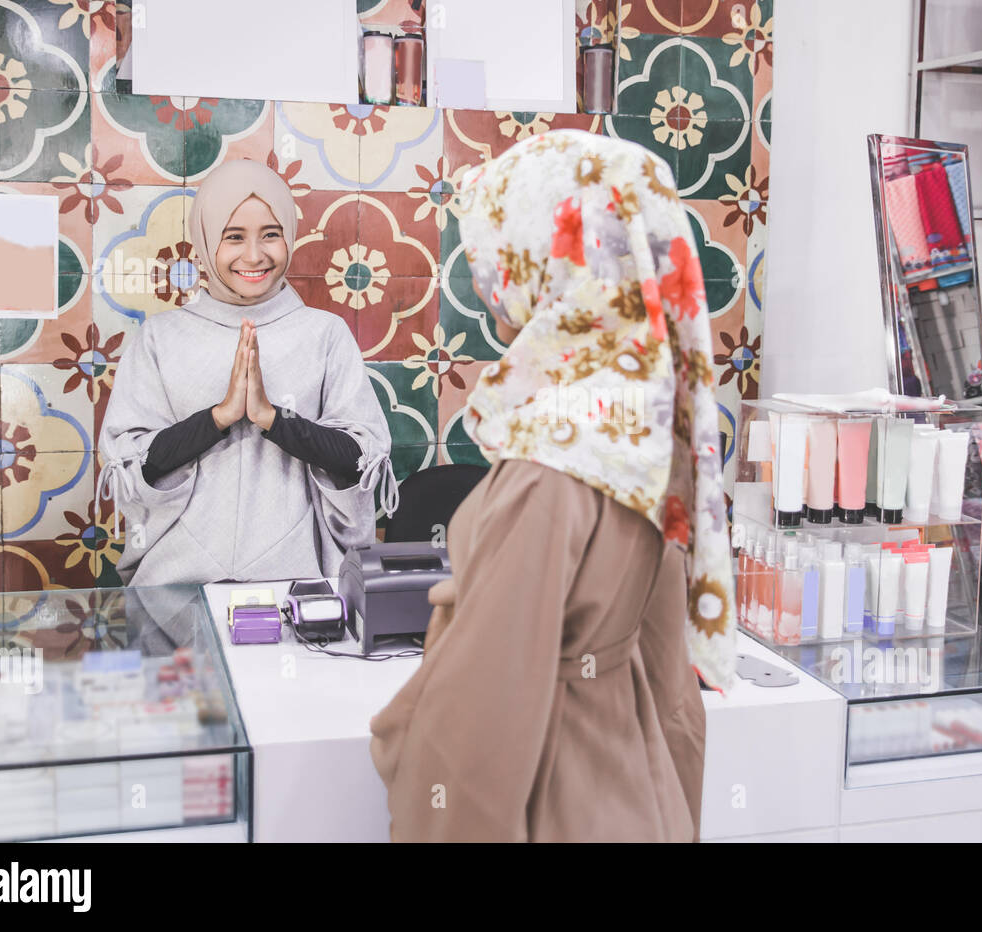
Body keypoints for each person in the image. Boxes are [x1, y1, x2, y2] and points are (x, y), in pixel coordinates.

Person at [369, 130, 735, 842]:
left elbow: (475, 733)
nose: (484, 285)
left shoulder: (549, 465)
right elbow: (674, 695)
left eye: (493, 255)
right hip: (636, 798)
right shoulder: (643, 435)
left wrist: (405, 758)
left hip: (555, 804)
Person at [97, 160, 397, 587]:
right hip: (176, 584)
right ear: (204, 240)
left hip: (301, 584)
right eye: (233, 237)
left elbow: (361, 458)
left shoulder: (324, 333)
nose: (254, 256)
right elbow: (131, 466)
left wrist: (274, 419)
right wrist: (217, 418)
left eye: (270, 235)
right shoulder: (159, 338)